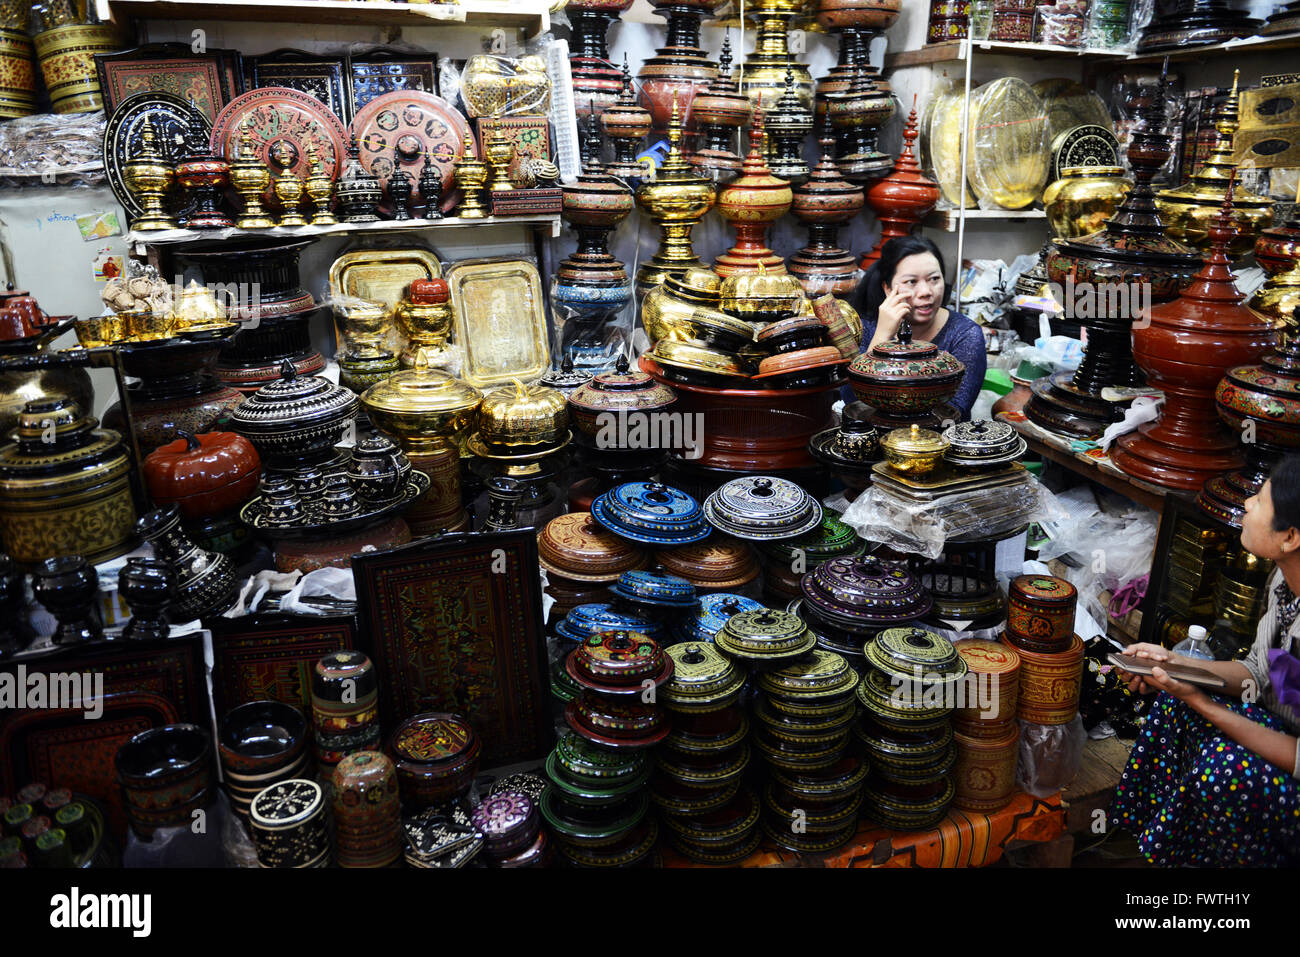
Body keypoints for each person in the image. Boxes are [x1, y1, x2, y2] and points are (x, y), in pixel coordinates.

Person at [1110, 456, 1300, 866]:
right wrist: (1175, 668)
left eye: (1260, 501)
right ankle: (1161, 848)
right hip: (1280, 728)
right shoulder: (1286, 581)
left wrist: (1204, 703)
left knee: (1226, 767)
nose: (1247, 504)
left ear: (1290, 537)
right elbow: (1256, 674)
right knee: (1175, 701)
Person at [846, 235, 987, 418]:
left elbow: (953, 412)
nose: (926, 292)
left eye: (934, 279)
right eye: (911, 282)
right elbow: (851, 403)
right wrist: (882, 336)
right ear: (888, 288)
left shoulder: (966, 335)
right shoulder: (866, 327)